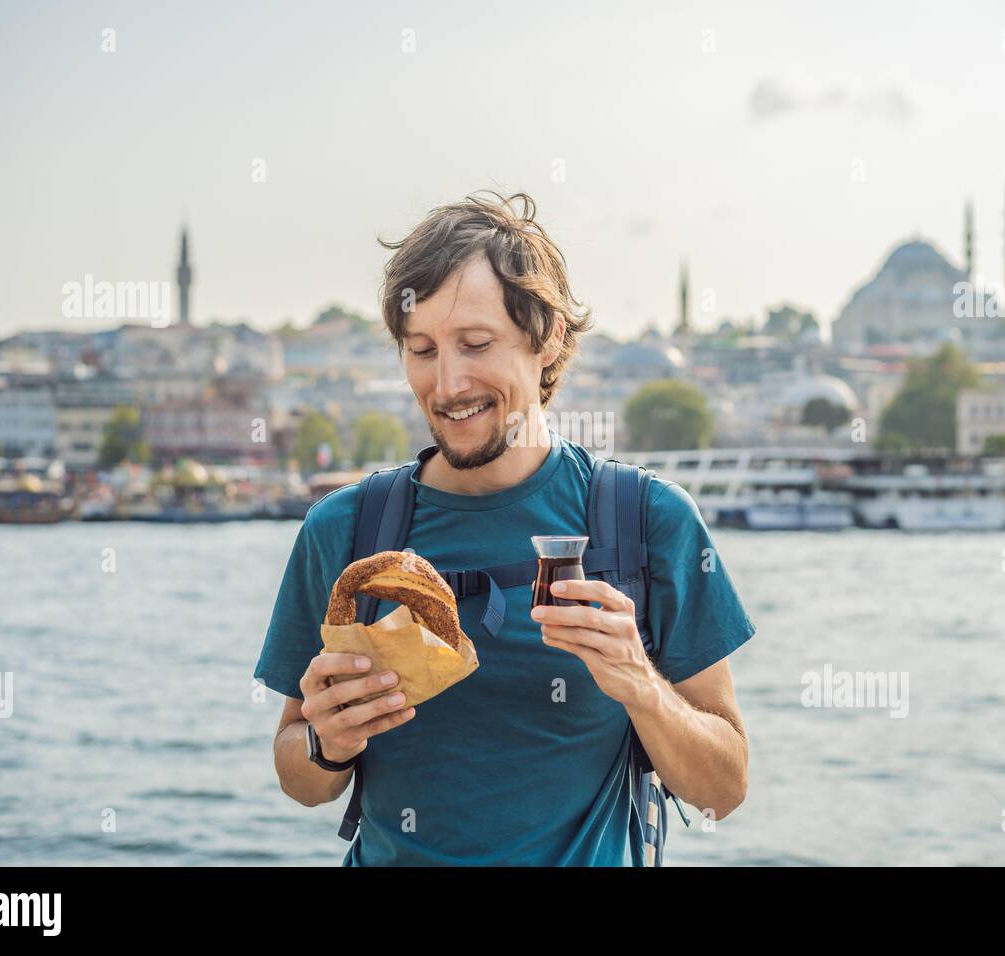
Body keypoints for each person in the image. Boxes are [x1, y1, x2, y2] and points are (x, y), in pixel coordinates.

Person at [254, 190, 755, 865]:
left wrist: (639, 683)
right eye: (422, 349)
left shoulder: (649, 522)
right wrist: (326, 742)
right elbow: (299, 777)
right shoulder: (344, 530)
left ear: (546, 339)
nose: (449, 382)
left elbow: (723, 790)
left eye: (476, 343)